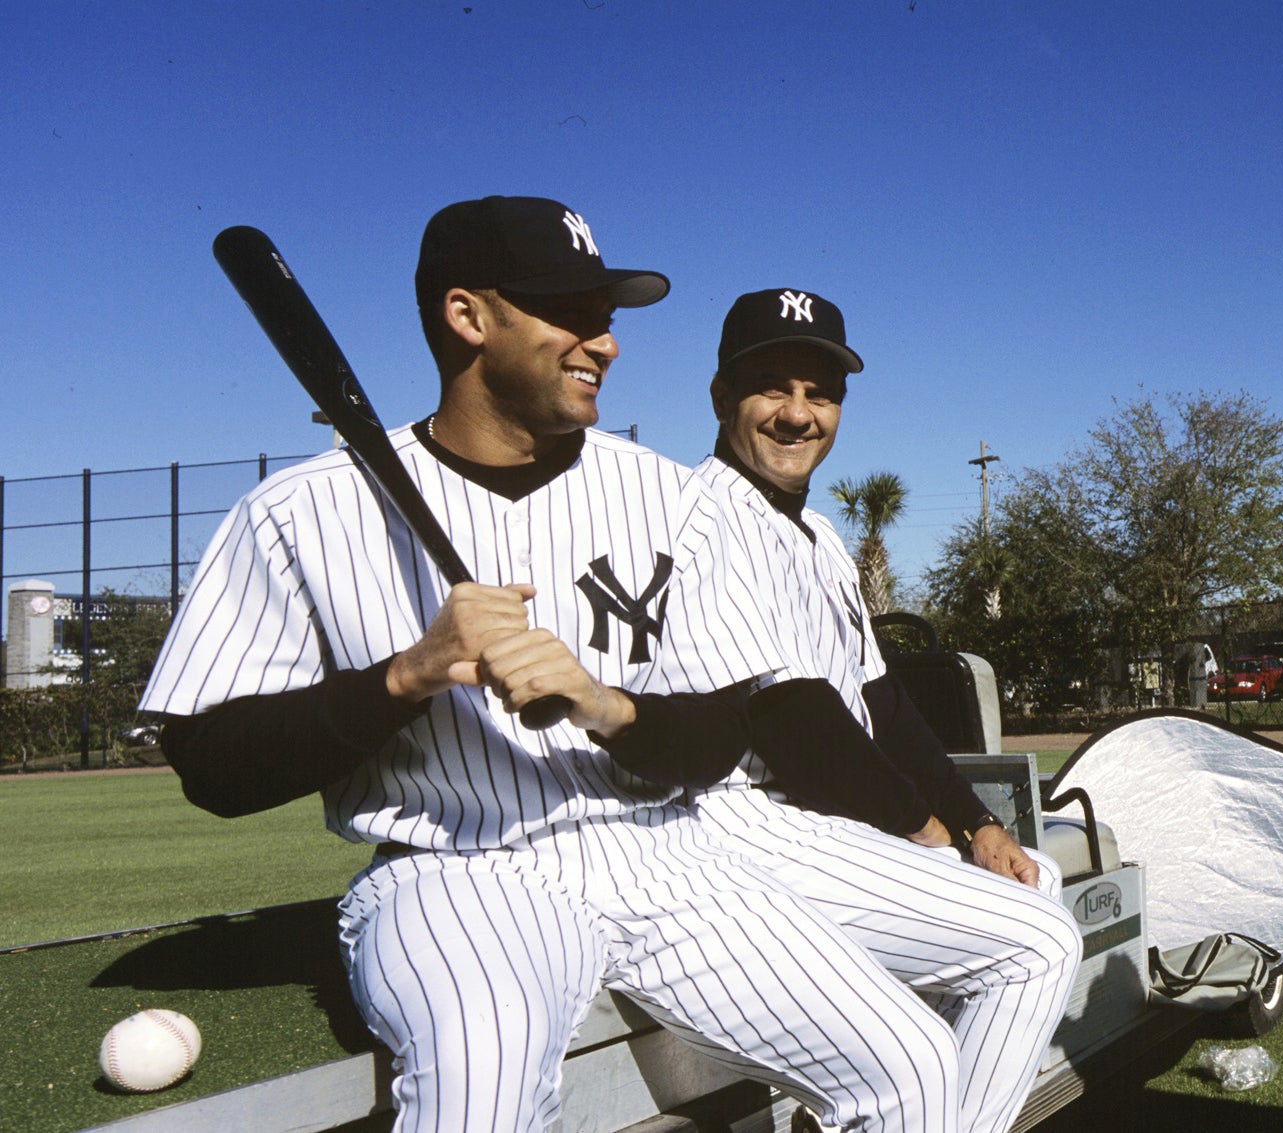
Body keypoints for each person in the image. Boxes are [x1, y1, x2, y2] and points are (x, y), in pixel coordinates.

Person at [143, 197, 967, 1133]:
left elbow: (720, 732)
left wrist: (602, 702)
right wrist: (407, 675)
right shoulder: (303, 510)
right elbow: (213, 765)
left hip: (667, 850)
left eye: (606, 317)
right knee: (478, 1093)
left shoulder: (673, 497)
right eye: (570, 312)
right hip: (460, 869)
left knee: (913, 1065)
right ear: (468, 316)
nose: (604, 342)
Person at [687, 286, 1079, 1133]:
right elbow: (792, 722)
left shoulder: (820, 537)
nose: (798, 414)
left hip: (822, 816)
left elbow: (884, 703)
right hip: (744, 819)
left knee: (1034, 877)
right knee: (1038, 943)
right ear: (721, 396)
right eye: (772, 387)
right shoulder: (706, 520)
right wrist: (924, 831)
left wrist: (978, 823)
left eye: (820, 393)